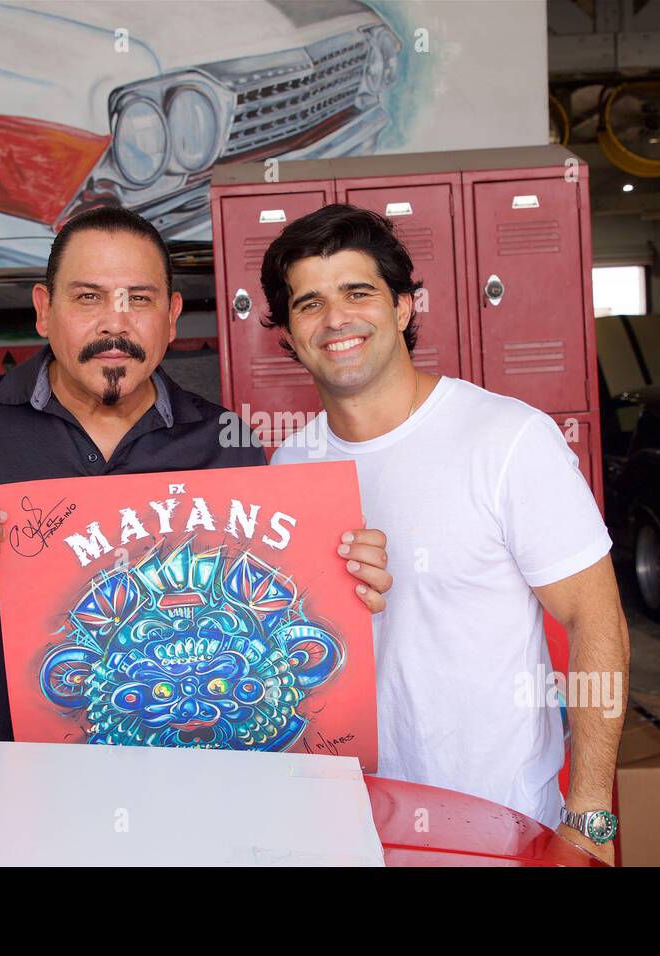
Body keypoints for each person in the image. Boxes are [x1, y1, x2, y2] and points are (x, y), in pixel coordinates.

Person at [0, 207, 392, 742]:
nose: (114, 325)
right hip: (14, 798)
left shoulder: (226, 441)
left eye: (138, 300)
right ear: (44, 310)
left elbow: (287, 601)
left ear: (170, 318)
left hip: (196, 793)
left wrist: (344, 574)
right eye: (89, 297)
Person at [262, 204, 630, 863]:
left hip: (503, 824)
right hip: (351, 826)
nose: (336, 319)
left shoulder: (507, 438)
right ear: (288, 334)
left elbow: (594, 619)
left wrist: (592, 817)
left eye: (358, 292)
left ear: (402, 308)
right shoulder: (290, 468)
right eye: (309, 303)